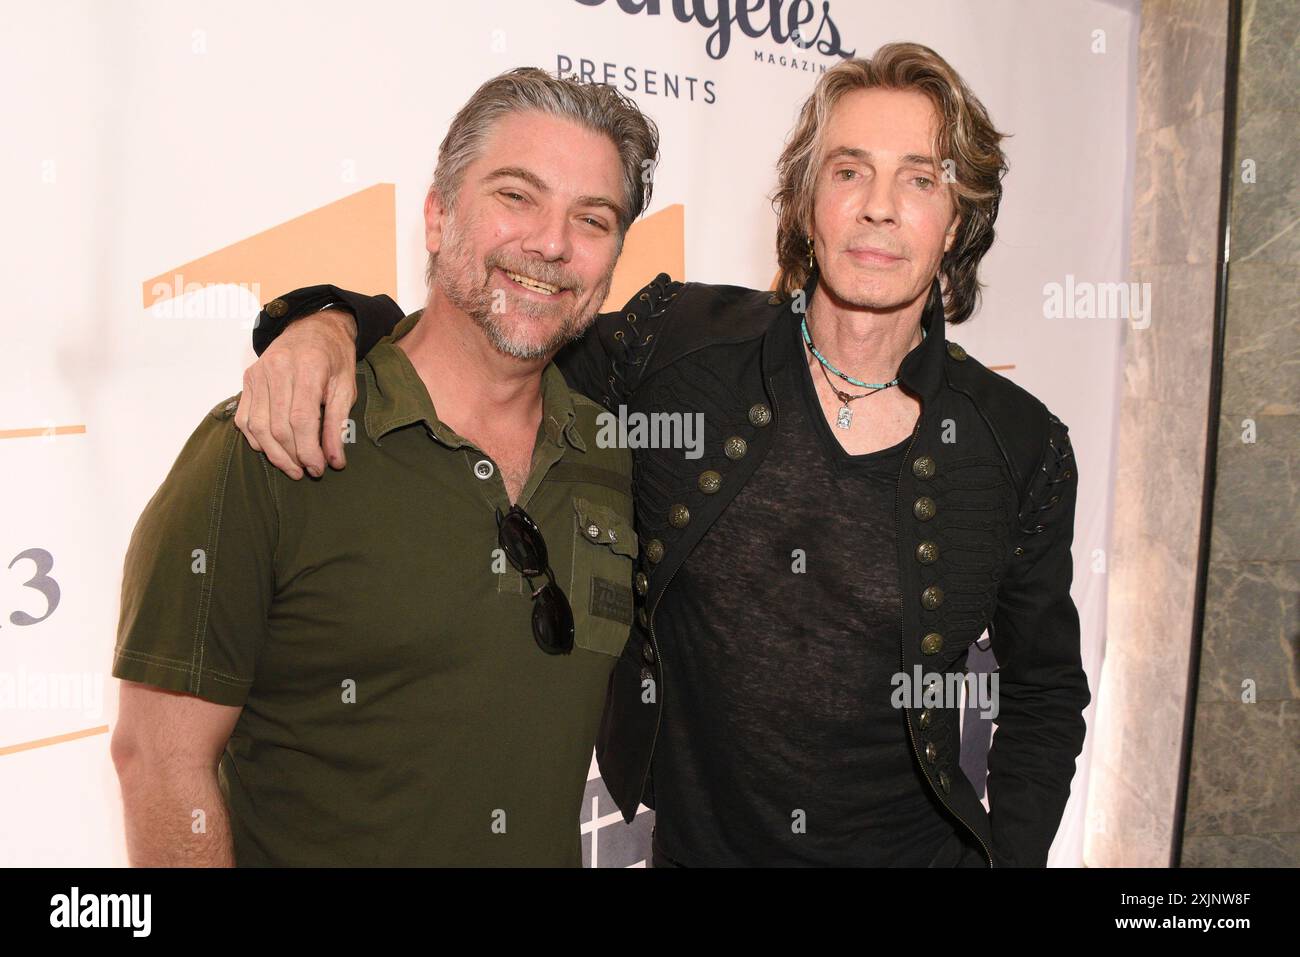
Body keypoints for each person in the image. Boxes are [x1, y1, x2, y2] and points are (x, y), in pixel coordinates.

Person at [236, 43, 1090, 867]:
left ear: (959, 218)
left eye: (921, 178)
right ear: (804, 201)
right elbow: (504, 334)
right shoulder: (676, 350)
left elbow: (1046, 693)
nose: (879, 205)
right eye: (849, 170)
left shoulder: (1019, 444)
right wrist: (332, 320)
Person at [110, 67, 659, 866]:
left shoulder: (616, 451)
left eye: (593, 218)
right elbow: (158, 761)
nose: (551, 242)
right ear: (437, 216)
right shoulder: (273, 439)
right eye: (516, 196)